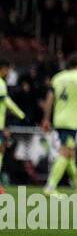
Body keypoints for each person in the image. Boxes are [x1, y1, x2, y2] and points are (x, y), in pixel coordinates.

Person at [41, 52, 77, 194]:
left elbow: (49, 99)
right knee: (65, 152)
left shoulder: (58, 78)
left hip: (58, 119)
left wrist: (46, 118)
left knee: (70, 153)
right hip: (72, 121)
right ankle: (50, 187)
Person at [0, 58, 25, 195]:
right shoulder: (1, 84)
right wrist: (20, 114)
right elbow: (7, 102)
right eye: (8, 69)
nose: (9, 72)